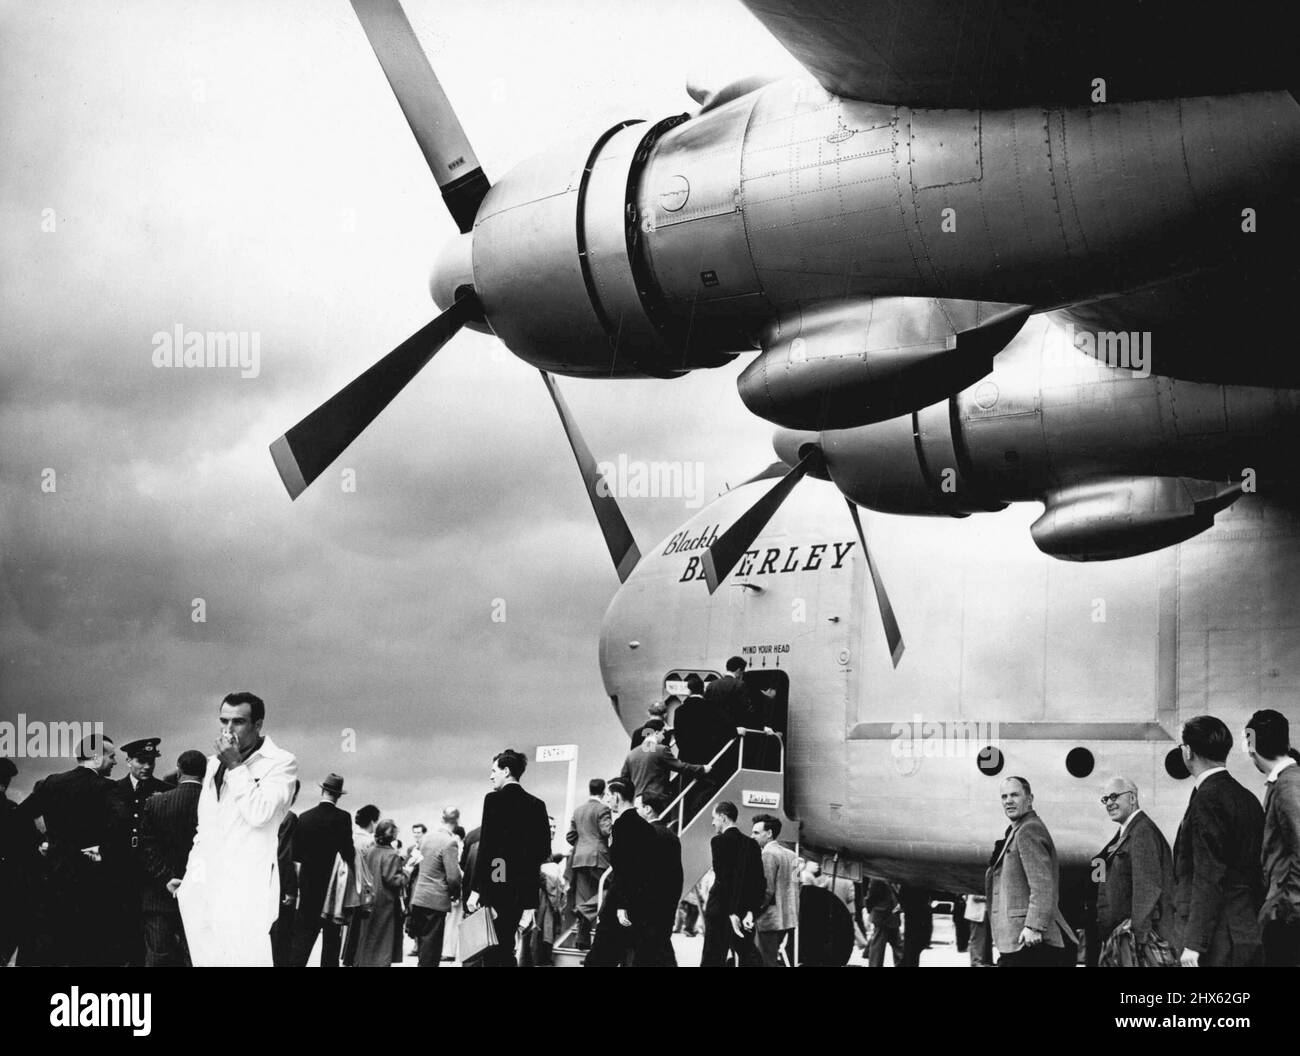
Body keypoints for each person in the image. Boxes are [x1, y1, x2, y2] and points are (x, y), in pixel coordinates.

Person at [177, 691, 298, 967]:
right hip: (204, 887)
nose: (228, 730)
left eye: (238, 722)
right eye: (224, 721)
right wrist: (189, 879)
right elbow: (205, 825)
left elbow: (261, 813)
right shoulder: (211, 764)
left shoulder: (281, 763)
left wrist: (235, 765)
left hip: (246, 887)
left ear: (258, 725)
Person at [17, 732, 119, 965]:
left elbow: (20, 816)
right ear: (96, 756)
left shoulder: (51, 782)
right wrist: (102, 849)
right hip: (92, 878)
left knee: (52, 943)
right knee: (88, 946)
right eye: (111, 756)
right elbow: (120, 826)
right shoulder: (107, 788)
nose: (115, 761)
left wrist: (41, 843)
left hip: (53, 874)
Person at [1172, 715, 1264, 967]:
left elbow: (1208, 874)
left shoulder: (1207, 799)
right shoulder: (1247, 798)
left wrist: (1193, 943)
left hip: (1216, 943)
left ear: (1188, 752)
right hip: (1246, 932)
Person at [467, 749, 551, 967]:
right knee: (507, 946)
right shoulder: (537, 805)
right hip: (523, 891)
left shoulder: (494, 800)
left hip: (498, 887)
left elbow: (490, 850)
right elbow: (541, 852)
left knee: (494, 949)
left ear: (506, 771)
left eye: (494, 771)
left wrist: (482, 891)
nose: (491, 776)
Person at [985, 776, 1076, 966]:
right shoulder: (1017, 830)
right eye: (1004, 796)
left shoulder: (1029, 829)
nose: (1008, 801)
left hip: (1029, 942)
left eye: (1015, 795)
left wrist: (1033, 926)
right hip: (1019, 941)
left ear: (1029, 799)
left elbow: (1042, 884)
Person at [1091, 775, 1177, 967]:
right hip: (1123, 940)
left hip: (1134, 943)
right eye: (1106, 799)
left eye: (1114, 796)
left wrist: (1138, 940)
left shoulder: (1142, 832)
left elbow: (1147, 890)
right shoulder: (1128, 832)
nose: (1109, 804)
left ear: (1132, 797)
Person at [106, 737, 172, 965]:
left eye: (151, 761)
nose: (147, 766)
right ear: (128, 761)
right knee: (122, 937)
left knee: (156, 942)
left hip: (153, 879)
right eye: (142, 761)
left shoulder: (165, 792)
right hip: (120, 876)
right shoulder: (112, 791)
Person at [137, 749, 206, 967]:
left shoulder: (155, 804)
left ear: (178, 770)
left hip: (160, 895)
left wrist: (166, 878)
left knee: (158, 955)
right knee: (199, 955)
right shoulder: (216, 805)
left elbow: (147, 848)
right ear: (205, 772)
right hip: (203, 894)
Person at [1245, 709, 1300, 966]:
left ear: (1251, 747)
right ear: (1286, 742)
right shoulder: (1286, 782)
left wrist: (1286, 909)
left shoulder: (1288, 785)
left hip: (1287, 918)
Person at [289, 773, 356, 967]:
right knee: (331, 942)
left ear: (322, 790)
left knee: (302, 940)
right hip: (333, 890)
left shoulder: (305, 817)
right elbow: (348, 854)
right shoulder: (343, 818)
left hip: (309, 886)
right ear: (339, 795)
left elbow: (297, 856)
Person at [584, 777, 651, 967]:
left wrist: (621, 905)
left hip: (619, 903)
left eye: (608, 795)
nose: (606, 799)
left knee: (599, 956)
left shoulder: (621, 826)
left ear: (617, 796)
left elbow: (623, 868)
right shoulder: (647, 828)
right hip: (639, 902)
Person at [700, 801, 764, 967]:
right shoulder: (752, 844)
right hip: (744, 913)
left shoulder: (718, 842)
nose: (713, 822)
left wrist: (731, 912)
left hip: (721, 910)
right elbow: (758, 882)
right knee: (746, 956)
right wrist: (751, 911)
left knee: (713, 957)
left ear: (723, 817)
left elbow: (723, 880)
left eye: (714, 818)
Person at [704, 657, 779, 769]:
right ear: (739, 670)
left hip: (715, 735)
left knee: (717, 766)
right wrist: (762, 727)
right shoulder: (740, 685)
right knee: (732, 765)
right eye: (743, 671)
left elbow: (708, 710)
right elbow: (747, 711)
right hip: (733, 735)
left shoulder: (711, 685)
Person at [636, 791, 683, 966]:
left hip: (646, 906)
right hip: (665, 905)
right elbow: (677, 875)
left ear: (647, 809)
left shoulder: (644, 834)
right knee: (661, 948)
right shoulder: (671, 836)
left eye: (637, 808)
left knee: (646, 952)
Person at [410, 807, 462, 966]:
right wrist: (455, 894)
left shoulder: (426, 838)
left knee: (423, 944)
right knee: (432, 948)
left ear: (442, 818)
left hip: (419, 897)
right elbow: (453, 876)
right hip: (436, 900)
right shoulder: (450, 842)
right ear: (456, 821)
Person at [566, 777, 611, 949]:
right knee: (611, 889)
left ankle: (582, 941)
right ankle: (584, 911)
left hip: (579, 859)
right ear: (604, 791)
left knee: (583, 897)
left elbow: (570, 836)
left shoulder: (578, 810)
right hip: (598, 857)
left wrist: (583, 844)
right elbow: (607, 832)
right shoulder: (603, 808)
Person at [353, 819, 405, 966]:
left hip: (368, 898)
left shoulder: (370, 851)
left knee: (368, 936)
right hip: (385, 902)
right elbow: (394, 880)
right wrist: (408, 870)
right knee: (383, 939)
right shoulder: (391, 854)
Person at [751, 813, 797, 966]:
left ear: (769, 833)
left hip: (769, 918)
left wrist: (753, 911)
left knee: (765, 959)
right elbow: (797, 886)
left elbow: (767, 889)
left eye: (756, 833)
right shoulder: (792, 855)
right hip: (787, 916)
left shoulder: (767, 854)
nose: (752, 836)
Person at [618, 729, 709, 805]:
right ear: (656, 732)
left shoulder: (631, 754)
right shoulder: (661, 749)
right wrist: (702, 769)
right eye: (663, 733)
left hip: (637, 800)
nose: (664, 737)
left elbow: (623, 779)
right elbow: (680, 767)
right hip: (656, 798)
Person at [673, 674, 732, 766]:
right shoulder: (713, 708)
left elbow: (678, 735)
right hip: (707, 755)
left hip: (687, 756)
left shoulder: (680, 710)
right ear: (703, 690)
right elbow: (723, 729)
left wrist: (685, 750)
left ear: (689, 691)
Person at [272, 791, 300, 967]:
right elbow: (285, 854)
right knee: (282, 933)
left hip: (257, 877)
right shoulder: (288, 818)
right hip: (279, 882)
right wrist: (290, 888)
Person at [864, 877, 904, 967]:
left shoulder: (878, 877)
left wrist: (869, 908)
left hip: (882, 914)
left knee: (879, 945)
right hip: (889, 914)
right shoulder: (892, 875)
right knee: (897, 944)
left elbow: (871, 896)